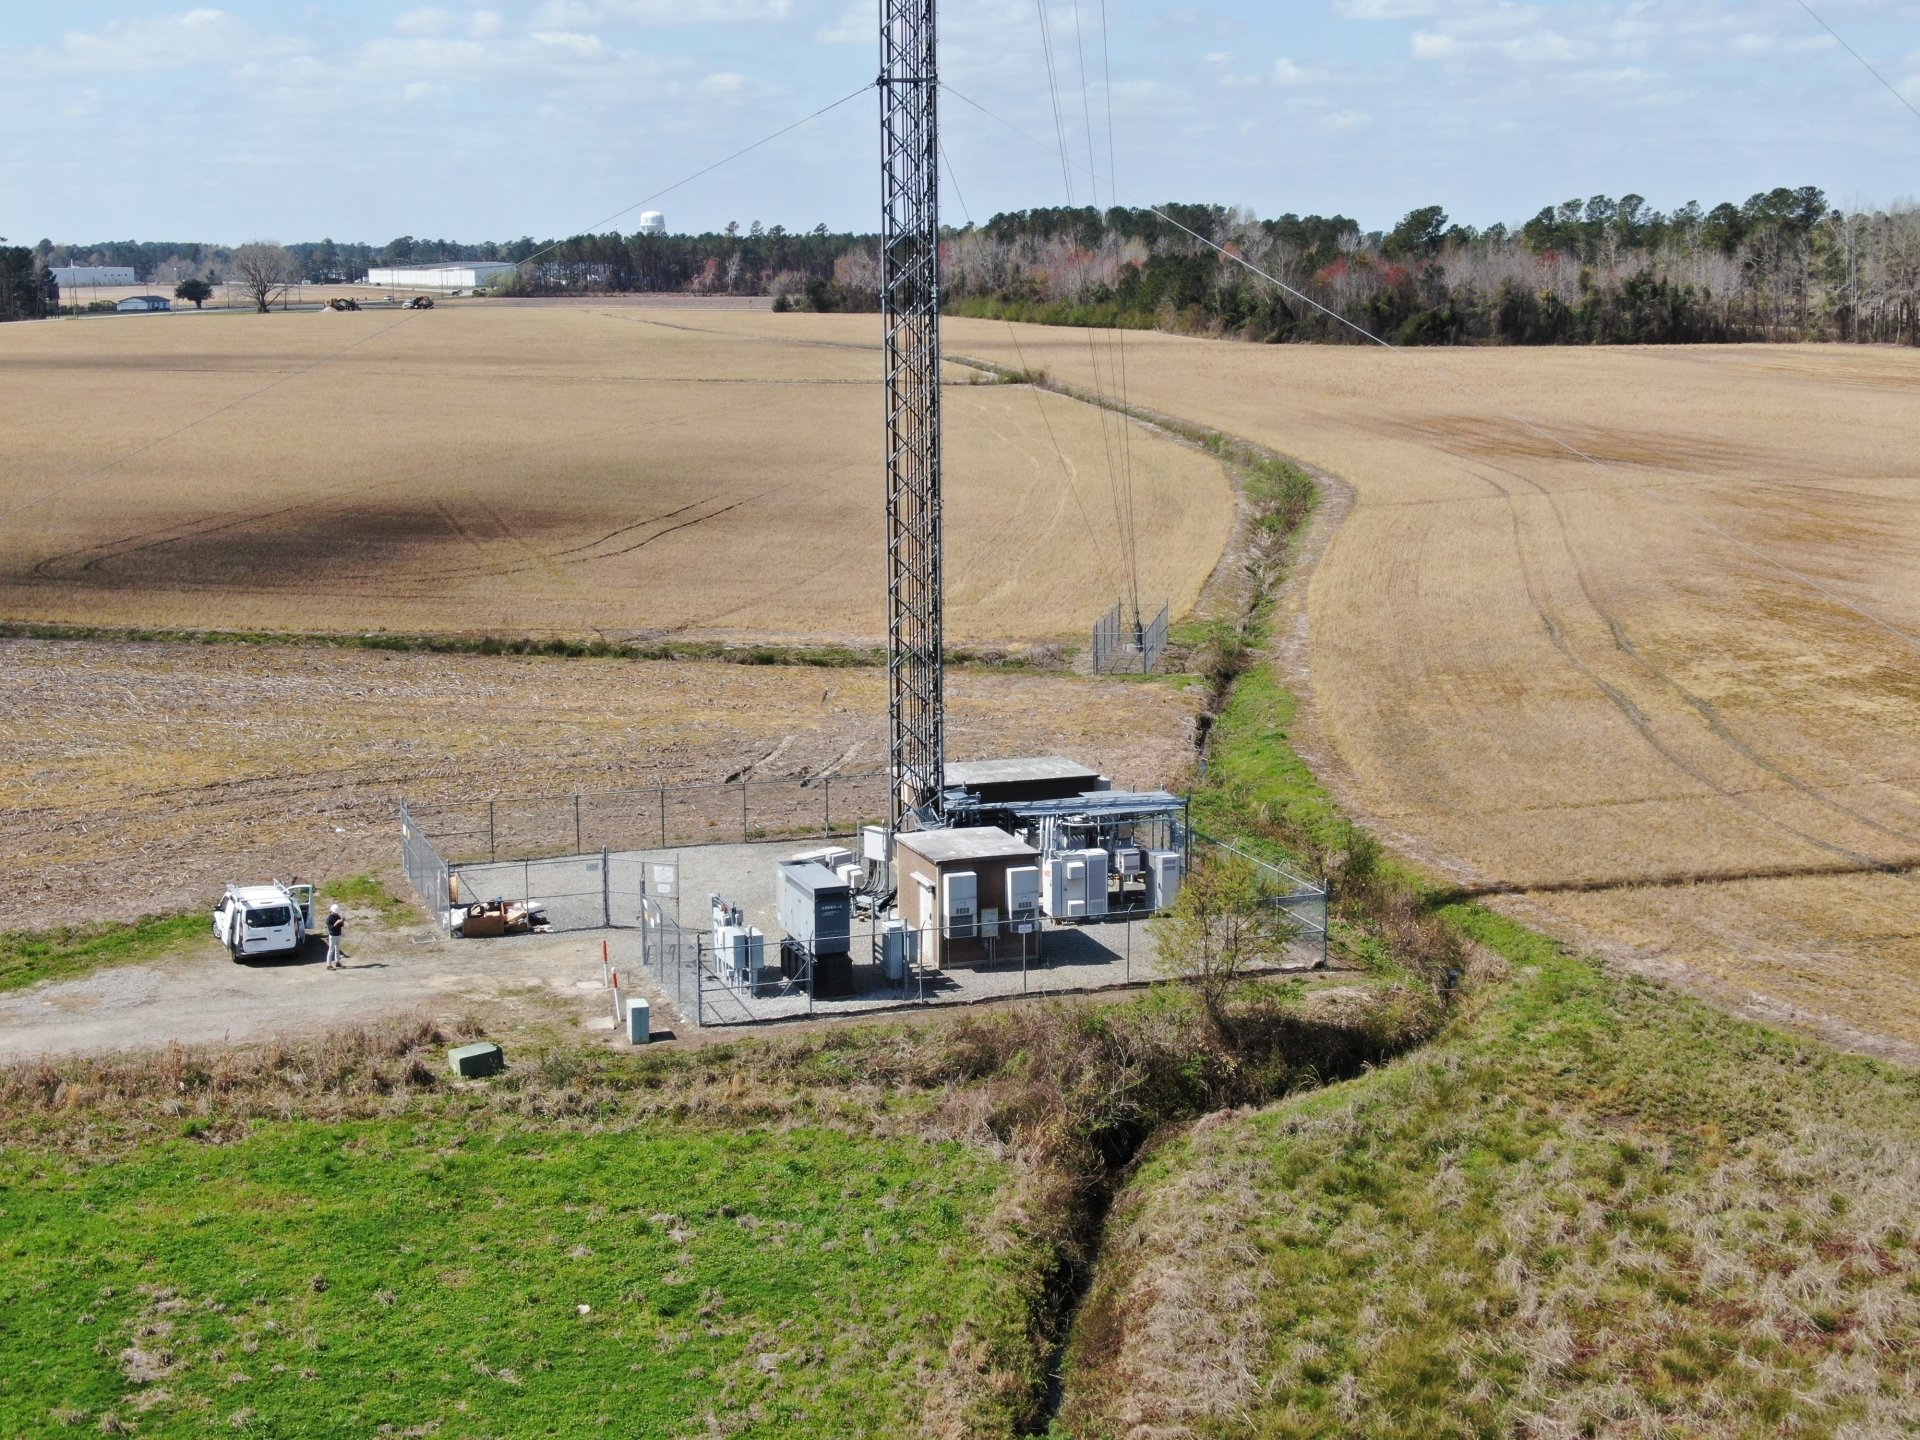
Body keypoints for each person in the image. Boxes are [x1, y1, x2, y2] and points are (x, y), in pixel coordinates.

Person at [326, 903, 345, 970]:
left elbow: (341, 925)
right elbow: (331, 928)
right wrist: (336, 923)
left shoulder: (337, 916)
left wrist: (342, 921)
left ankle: (337, 962)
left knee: (337, 949)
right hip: (332, 936)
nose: (336, 914)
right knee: (331, 950)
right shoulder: (329, 919)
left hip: (338, 934)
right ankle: (328, 964)